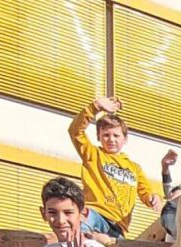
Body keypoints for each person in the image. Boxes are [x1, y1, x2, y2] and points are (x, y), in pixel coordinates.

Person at [69, 95, 162, 237]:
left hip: (118, 225)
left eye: (116, 136)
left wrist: (154, 198)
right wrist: (95, 107)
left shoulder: (134, 168)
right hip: (95, 213)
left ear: (125, 139)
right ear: (99, 137)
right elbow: (75, 131)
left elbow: (145, 191)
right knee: (81, 231)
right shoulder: (93, 154)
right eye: (106, 135)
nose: (111, 139)